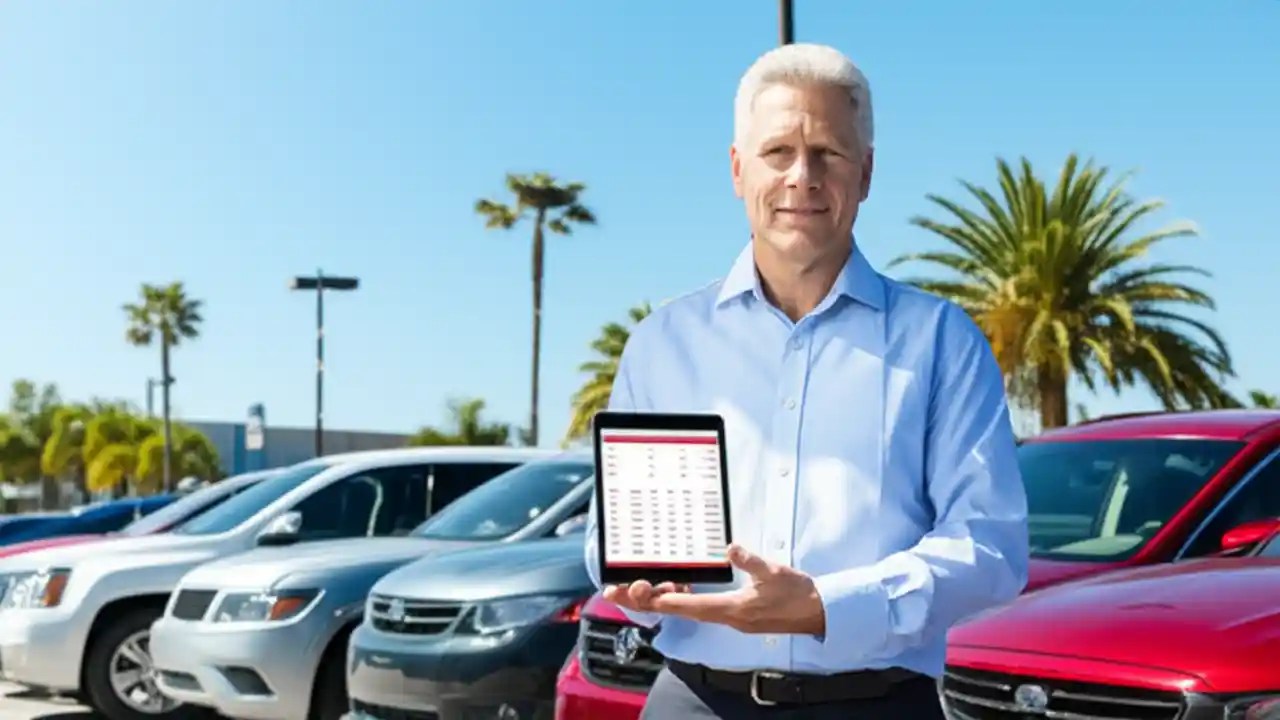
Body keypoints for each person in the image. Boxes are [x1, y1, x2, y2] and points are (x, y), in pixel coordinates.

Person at [582, 42, 1029, 718]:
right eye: (777, 152)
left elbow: (991, 547)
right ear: (737, 169)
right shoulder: (662, 343)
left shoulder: (941, 342)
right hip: (694, 699)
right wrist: (632, 576)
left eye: (828, 153)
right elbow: (605, 538)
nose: (802, 176)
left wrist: (825, 607)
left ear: (867, 172)